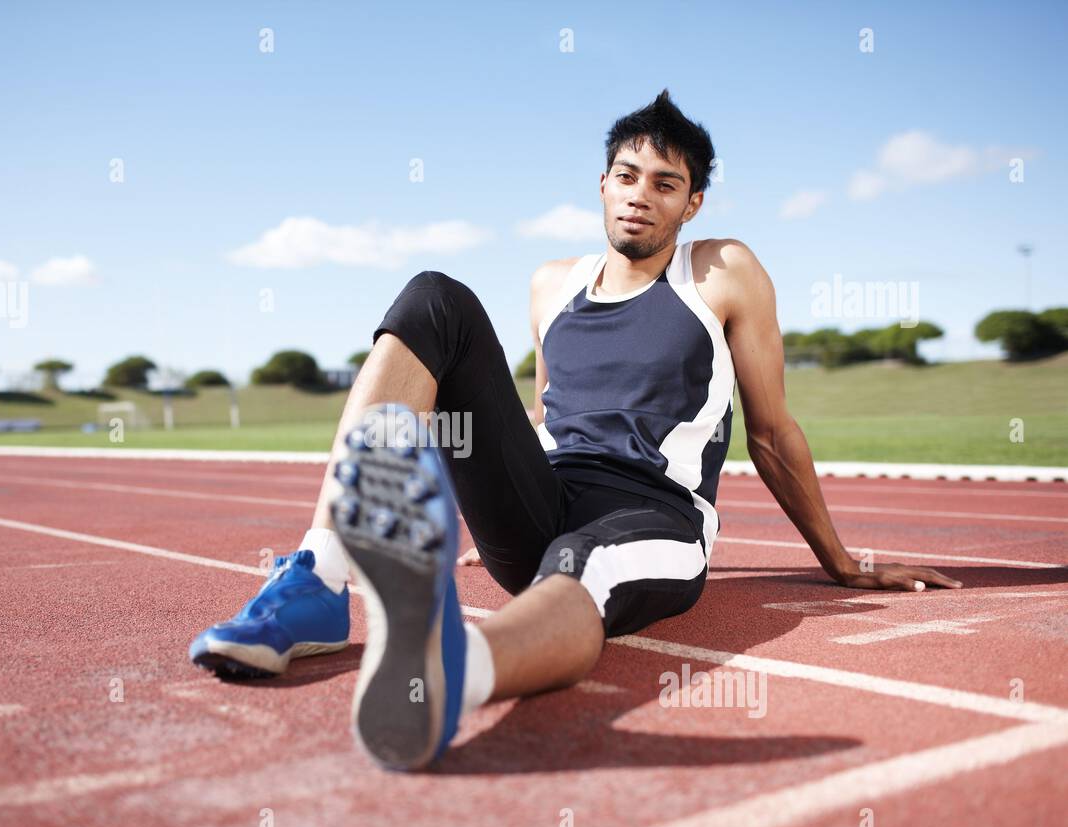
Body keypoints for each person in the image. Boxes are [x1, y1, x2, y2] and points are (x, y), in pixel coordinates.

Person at [189, 89, 963, 772]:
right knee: (434, 298)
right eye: (627, 177)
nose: (641, 197)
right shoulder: (550, 286)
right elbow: (544, 414)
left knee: (583, 562)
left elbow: (771, 432)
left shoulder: (722, 272)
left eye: (666, 184)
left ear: (692, 202)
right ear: (602, 185)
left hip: (652, 511)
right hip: (543, 499)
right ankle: (321, 580)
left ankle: (450, 674)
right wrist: (478, 503)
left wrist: (842, 563)